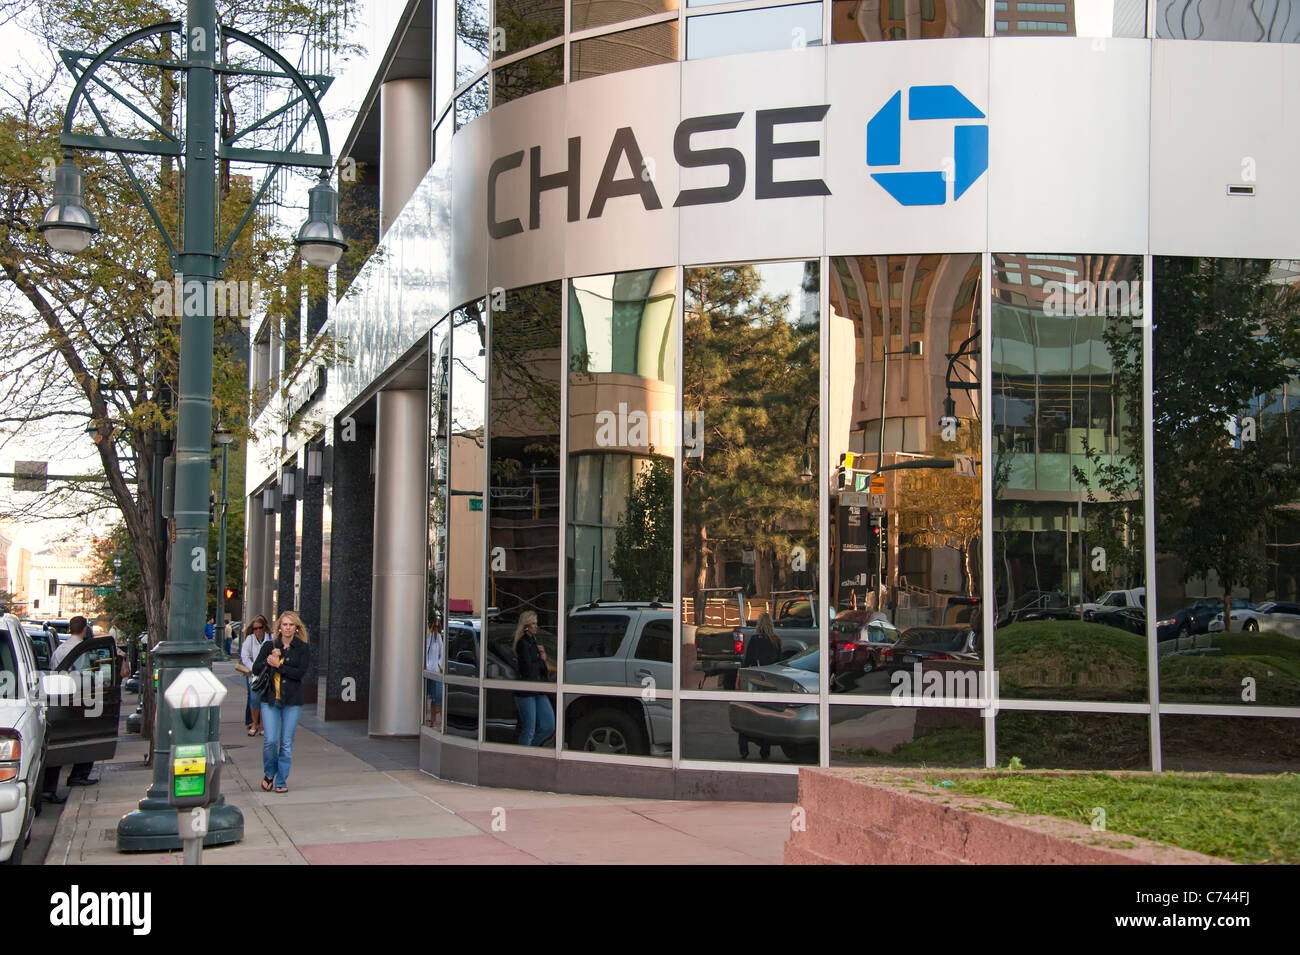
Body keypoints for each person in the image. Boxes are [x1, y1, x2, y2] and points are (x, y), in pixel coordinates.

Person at [252, 610, 310, 793]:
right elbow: (255, 669)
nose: (287, 628)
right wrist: (269, 662)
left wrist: (280, 666)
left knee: (286, 742)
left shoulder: (302, 648)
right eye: (284, 624)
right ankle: (269, 773)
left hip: (292, 700)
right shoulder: (270, 645)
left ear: (297, 628)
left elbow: (300, 674)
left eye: (291, 625)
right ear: (279, 627)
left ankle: (281, 780)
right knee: (270, 740)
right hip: (270, 699)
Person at [43, 616, 99, 800]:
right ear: (84, 629)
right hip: (76, 700)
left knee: (59, 743)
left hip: (57, 699)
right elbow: (83, 676)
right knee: (87, 736)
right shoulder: (80, 649)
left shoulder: (60, 648)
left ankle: (49, 788)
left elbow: (53, 670)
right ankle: (78, 775)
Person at [737, 613, 782, 760]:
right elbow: (779, 662)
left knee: (748, 713)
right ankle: (765, 749)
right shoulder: (776, 640)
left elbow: (748, 661)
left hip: (756, 679)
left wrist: (739, 676)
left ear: (759, 624)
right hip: (771, 680)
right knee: (766, 715)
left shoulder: (755, 640)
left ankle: (744, 746)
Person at [511, 611, 554, 746]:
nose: (536, 626)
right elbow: (527, 669)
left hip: (538, 688)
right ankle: (525, 755)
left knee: (549, 726)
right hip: (526, 691)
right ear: (526, 626)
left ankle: (531, 749)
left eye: (536, 623)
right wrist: (541, 660)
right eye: (533, 624)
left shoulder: (534, 642)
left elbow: (542, 669)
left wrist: (542, 657)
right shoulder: (522, 644)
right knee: (529, 728)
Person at [239, 616, 270, 736]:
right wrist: (254, 668)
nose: (257, 630)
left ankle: (262, 725)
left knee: (264, 699)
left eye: (260, 628)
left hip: (267, 673)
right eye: (255, 628)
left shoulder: (269, 639)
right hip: (253, 674)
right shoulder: (250, 639)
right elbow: (244, 656)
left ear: (264, 628)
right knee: (254, 698)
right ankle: (253, 723)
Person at [425, 618, 444, 728]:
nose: (436, 629)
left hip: (436, 669)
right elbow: (426, 651)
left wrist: (439, 664)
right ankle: (433, 721)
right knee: (433, 696)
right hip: (430, 669)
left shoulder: (439, 638)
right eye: (435, 627)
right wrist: (428, 665)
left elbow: (442, 652)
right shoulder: (430, 638)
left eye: (438, 627)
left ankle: (438, 721)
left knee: (438, 696)